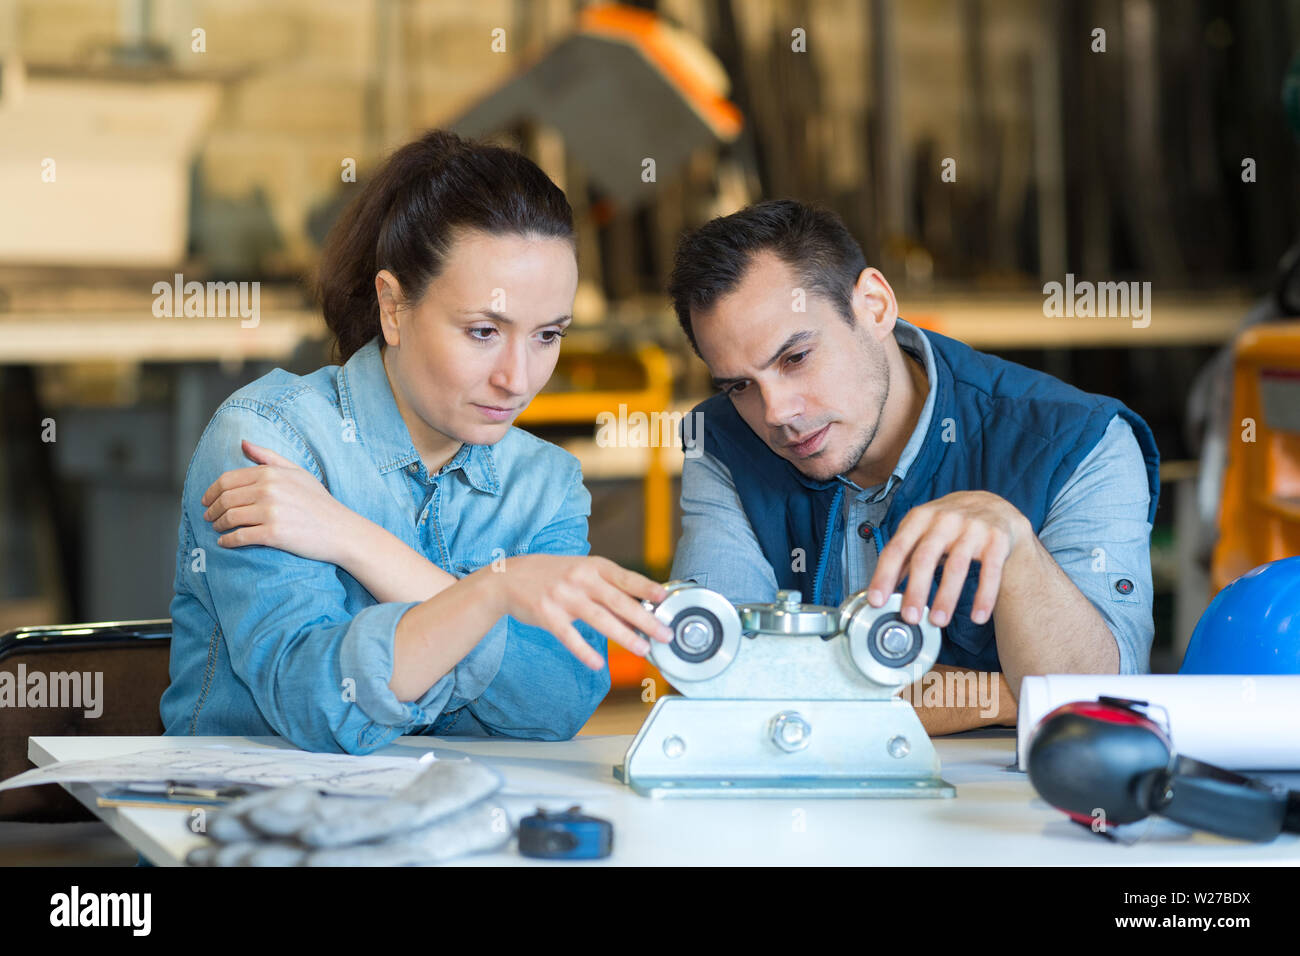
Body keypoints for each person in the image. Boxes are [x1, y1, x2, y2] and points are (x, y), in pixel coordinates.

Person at [162, 130, 674, 755]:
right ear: (393, 308)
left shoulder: (545, 483)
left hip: (454, 833)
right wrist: (488, 600)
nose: (518, 379)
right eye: (484, 331)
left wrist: (363, 543)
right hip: (250, 835)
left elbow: (557, 700)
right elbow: (316, 704)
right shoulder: (271, 443)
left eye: (547, 336)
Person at [668, 199, 1161, 735]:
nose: (776, 413)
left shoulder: (1079, 442)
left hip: (1005, 814)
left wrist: (1017, 549)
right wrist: (1006, 696)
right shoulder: (722, 441)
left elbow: (1105, 700)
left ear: (875, 306)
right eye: (740, 385)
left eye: (796, 358)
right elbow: (713, 678)